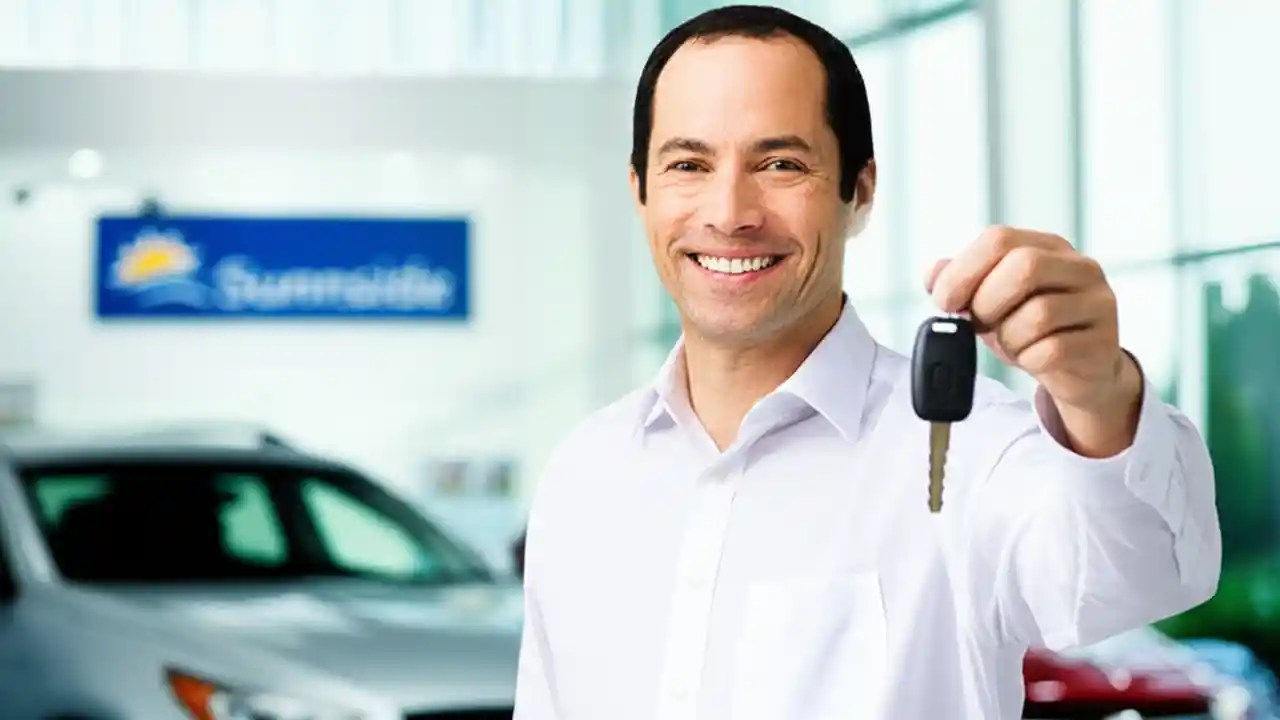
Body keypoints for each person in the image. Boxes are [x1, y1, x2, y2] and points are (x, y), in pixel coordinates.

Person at [513, 5, 1221, 719]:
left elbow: (1147, 573)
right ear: (640, 191)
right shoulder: (583, 475)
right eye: (689, 165)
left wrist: (1099, 394)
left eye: (781, 164)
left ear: (860, 191)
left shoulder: (977, 452)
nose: (729, 212)